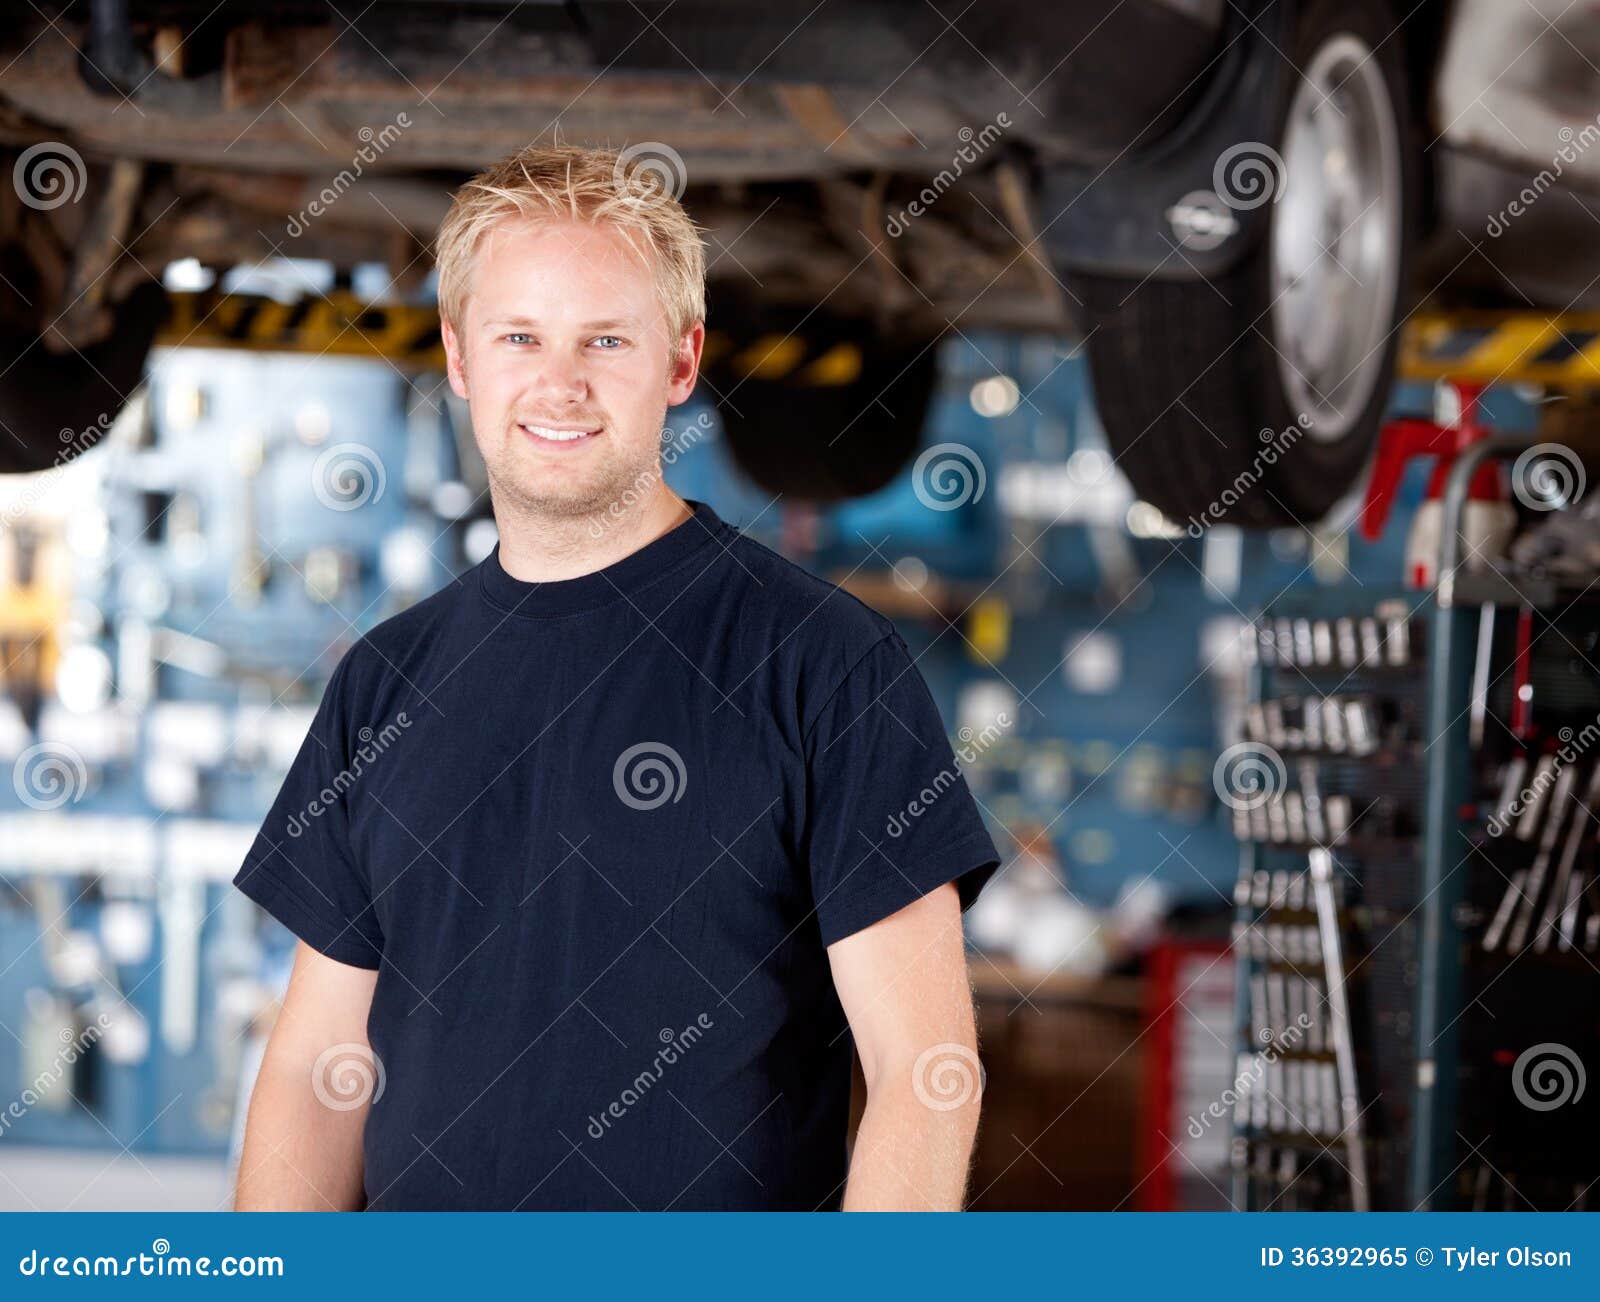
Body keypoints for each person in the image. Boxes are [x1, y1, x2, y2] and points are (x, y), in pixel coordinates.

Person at [231, 144, 999, 1212]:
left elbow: (924, 1077)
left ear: (680, 363)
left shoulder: (824, 665)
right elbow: (318, 1073)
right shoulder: (385, 682)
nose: (559, 383)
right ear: (458, 358)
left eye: (605, 339)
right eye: (518, 337)